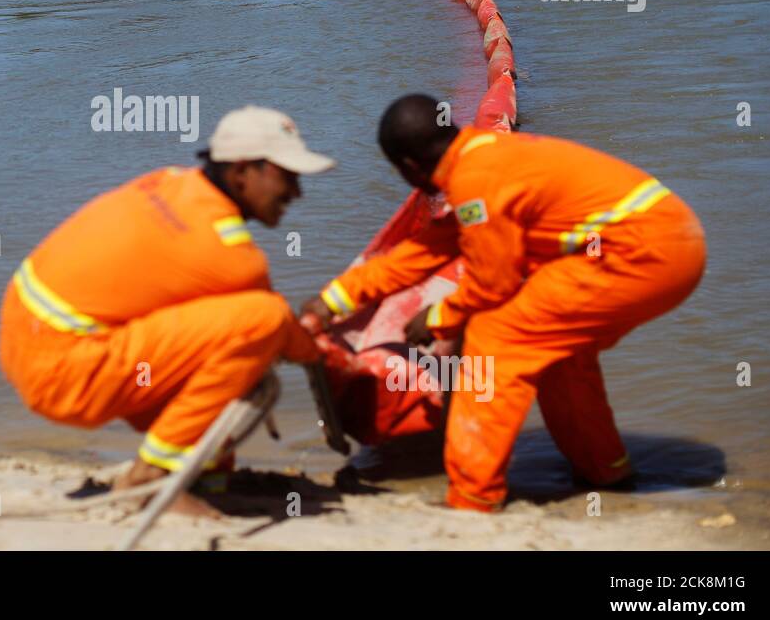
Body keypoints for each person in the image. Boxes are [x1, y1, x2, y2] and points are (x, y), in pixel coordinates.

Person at [302, 94, 707, 512]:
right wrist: (333, 301)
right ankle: (606, 472)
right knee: (560, 355)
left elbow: (493, 282)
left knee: (495, 337)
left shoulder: (476, 180)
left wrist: (441, 316)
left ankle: (473, 496)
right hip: (672, 243)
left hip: (641, 253)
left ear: (408, 167)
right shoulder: (482, 160)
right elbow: (426, 250)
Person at [0, 106, 331, 515]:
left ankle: (204, 481)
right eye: (288, 176)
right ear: (244, 170)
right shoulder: (231, 256)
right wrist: (323, 344)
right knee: (262, 321)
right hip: (64, 374)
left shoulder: (168, 181)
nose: (296, 193)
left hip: (22, 335)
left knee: (223, 348)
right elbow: (286, 337)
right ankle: (150, 480)